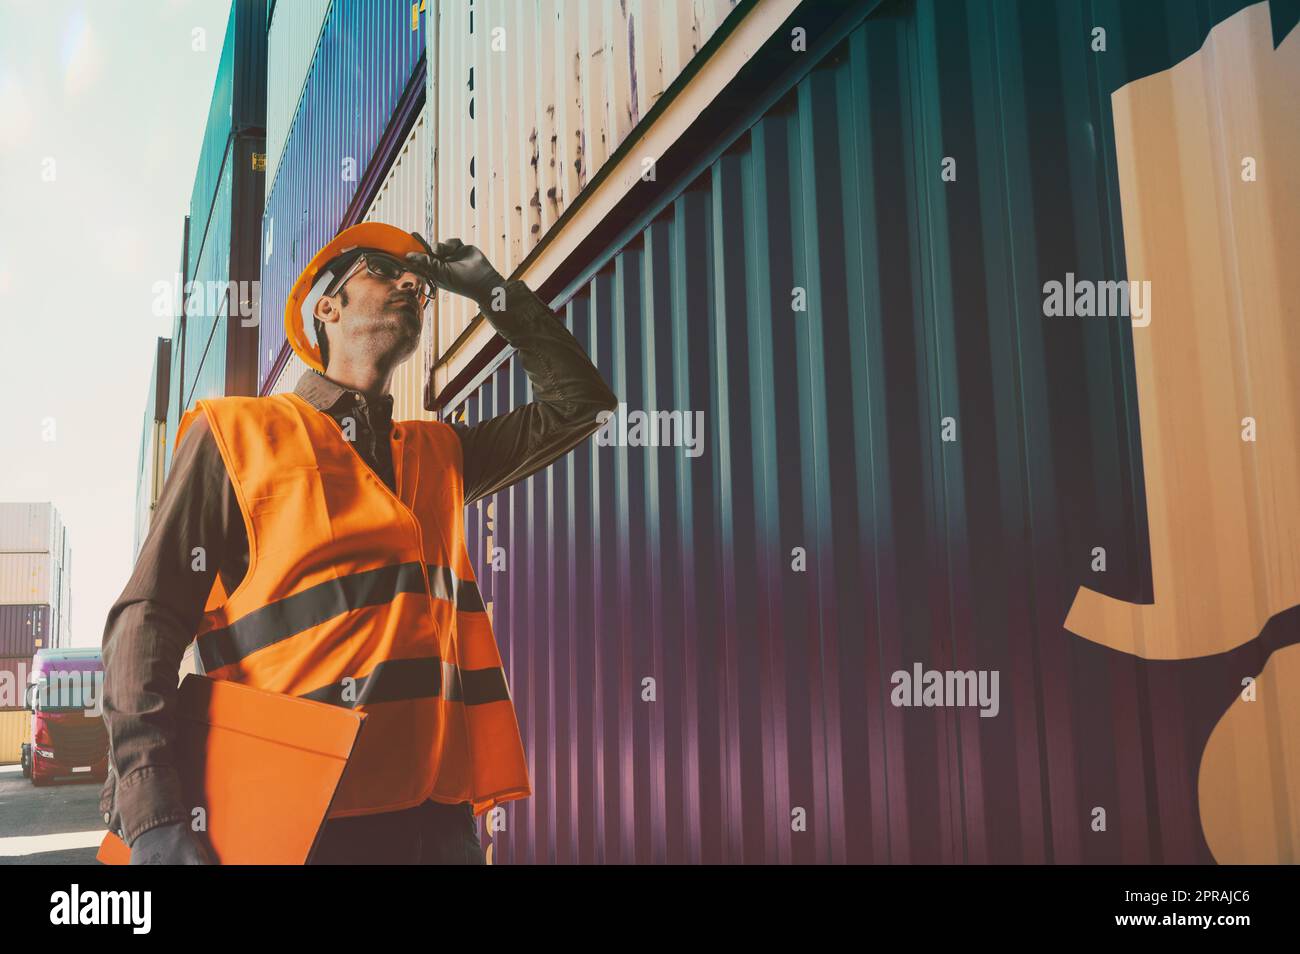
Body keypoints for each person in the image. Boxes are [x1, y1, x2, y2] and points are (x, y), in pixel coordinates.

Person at [100, 224, 618, 864]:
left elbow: (582, 407)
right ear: (327, 305)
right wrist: (154, 818)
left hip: (437, 825)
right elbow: (145, 618)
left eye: (421, 285)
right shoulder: (237, 436)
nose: (411, 283)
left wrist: (491, 293)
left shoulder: (440, 452)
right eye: (383, 269)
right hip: (299, 826)